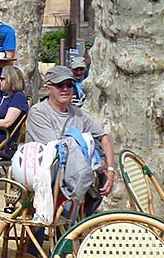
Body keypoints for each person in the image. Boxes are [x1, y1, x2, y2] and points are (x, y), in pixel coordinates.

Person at [25, 64, 115, 201]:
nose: (65, 89)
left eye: (69, 84)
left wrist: (110, 171)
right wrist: (95, 160)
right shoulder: (38, 112)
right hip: (46, 177)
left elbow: (104, 137)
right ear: (48, 89)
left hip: (75, 176)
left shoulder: (78, 114)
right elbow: (59, 151)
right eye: (59, 85)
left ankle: (78, 216)